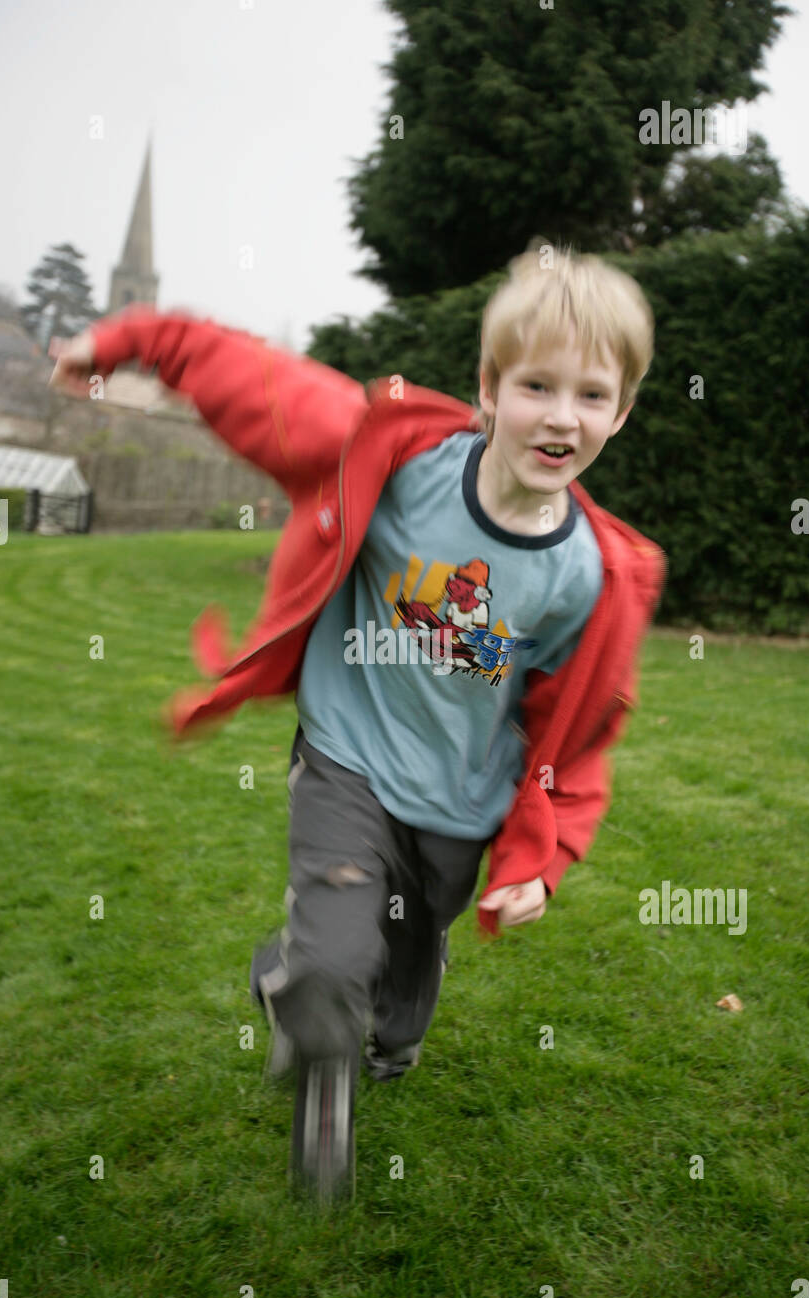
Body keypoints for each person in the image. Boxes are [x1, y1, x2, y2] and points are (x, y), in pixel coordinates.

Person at [49, 240, 666, 1205]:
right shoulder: (403, 460)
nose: (560, 416)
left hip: (458, 804)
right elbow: (258, 383)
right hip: (346, 757)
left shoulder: (587, 574)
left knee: (401, 995)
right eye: (536, 385)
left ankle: (333, 1004)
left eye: (591, 395)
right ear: (490, 388)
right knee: (337, 956)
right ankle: (315, 1040)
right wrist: (126, 338)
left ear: (622, 413)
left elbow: (575, 733)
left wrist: (540, 860)